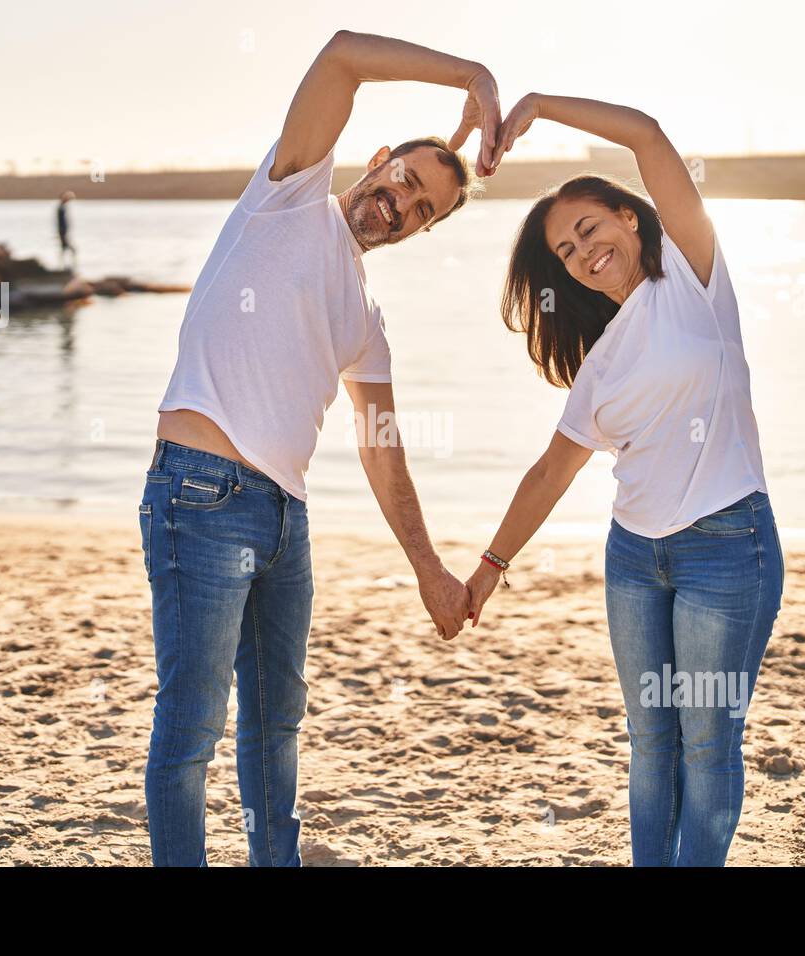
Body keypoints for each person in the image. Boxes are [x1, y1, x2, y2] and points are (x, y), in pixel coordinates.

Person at [140, 30, 501, 867]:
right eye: (404, 182)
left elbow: (382, 448)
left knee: (277, 726)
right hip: (199, 493)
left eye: (421, 211)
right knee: (192, 724)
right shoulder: (290, 191)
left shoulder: (365, 320)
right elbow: (341, 55)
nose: (399, 207)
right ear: (376, 160)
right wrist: (471, 77)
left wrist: (429, 569)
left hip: (285, 519)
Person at [464, 92, 784, 866]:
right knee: (650, 739)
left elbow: (646, 135)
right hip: (635, 561)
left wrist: (538, 106)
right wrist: (486, 572)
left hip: (726, 547)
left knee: (707, 740)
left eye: (588, 229)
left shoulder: (695, 275)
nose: (582, 252)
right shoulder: (599, 366)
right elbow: (550, 472)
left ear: (628, 217)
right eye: (566, 253)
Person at [56, 191, 76, 270]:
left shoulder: (62, 207)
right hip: (62, 231)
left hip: (63, 231)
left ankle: (63, 264)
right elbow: (61, 221)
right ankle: (64, 264)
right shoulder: (61, 207)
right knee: (67, 248)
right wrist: (62, 230)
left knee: (64, 248)